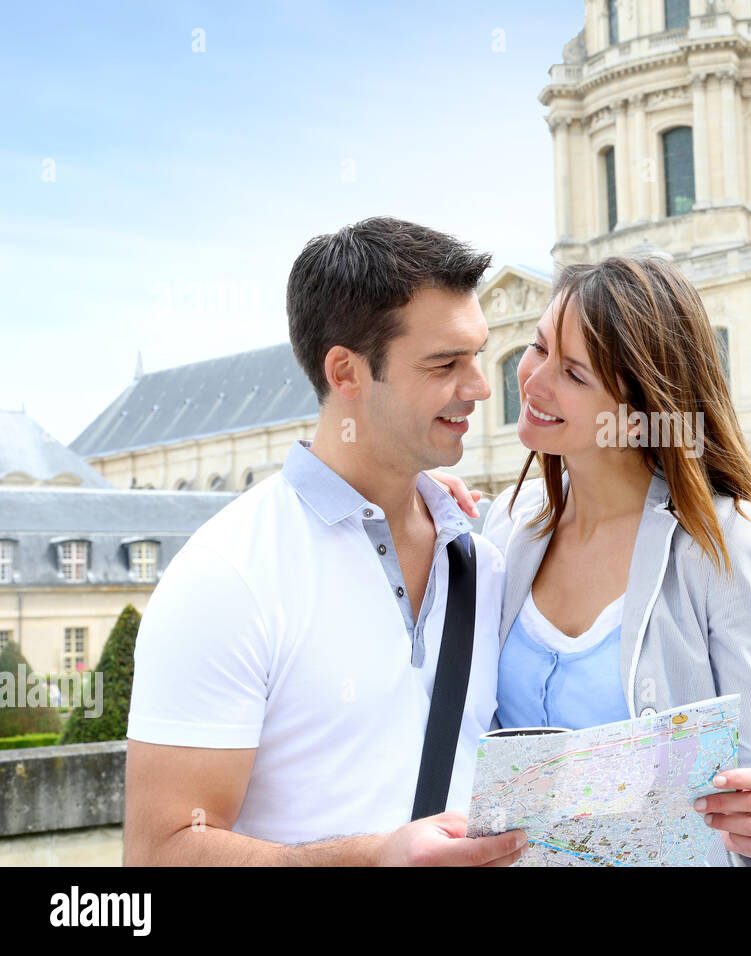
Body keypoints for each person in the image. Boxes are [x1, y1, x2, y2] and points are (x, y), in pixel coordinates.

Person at [123, 217, 524, 866]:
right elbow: (159, 855)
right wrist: (377, 857)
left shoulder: (482, 557)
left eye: (478, 355)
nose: (479, 386)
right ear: (346, 373)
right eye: (446, 364)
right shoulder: (228, 574)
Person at [436, 256, 751, 866]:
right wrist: (416, 506)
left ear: (640, 409)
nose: (533, 381)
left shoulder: (723, 542)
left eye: (573, 374)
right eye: (536, 349)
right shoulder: (508, 522)